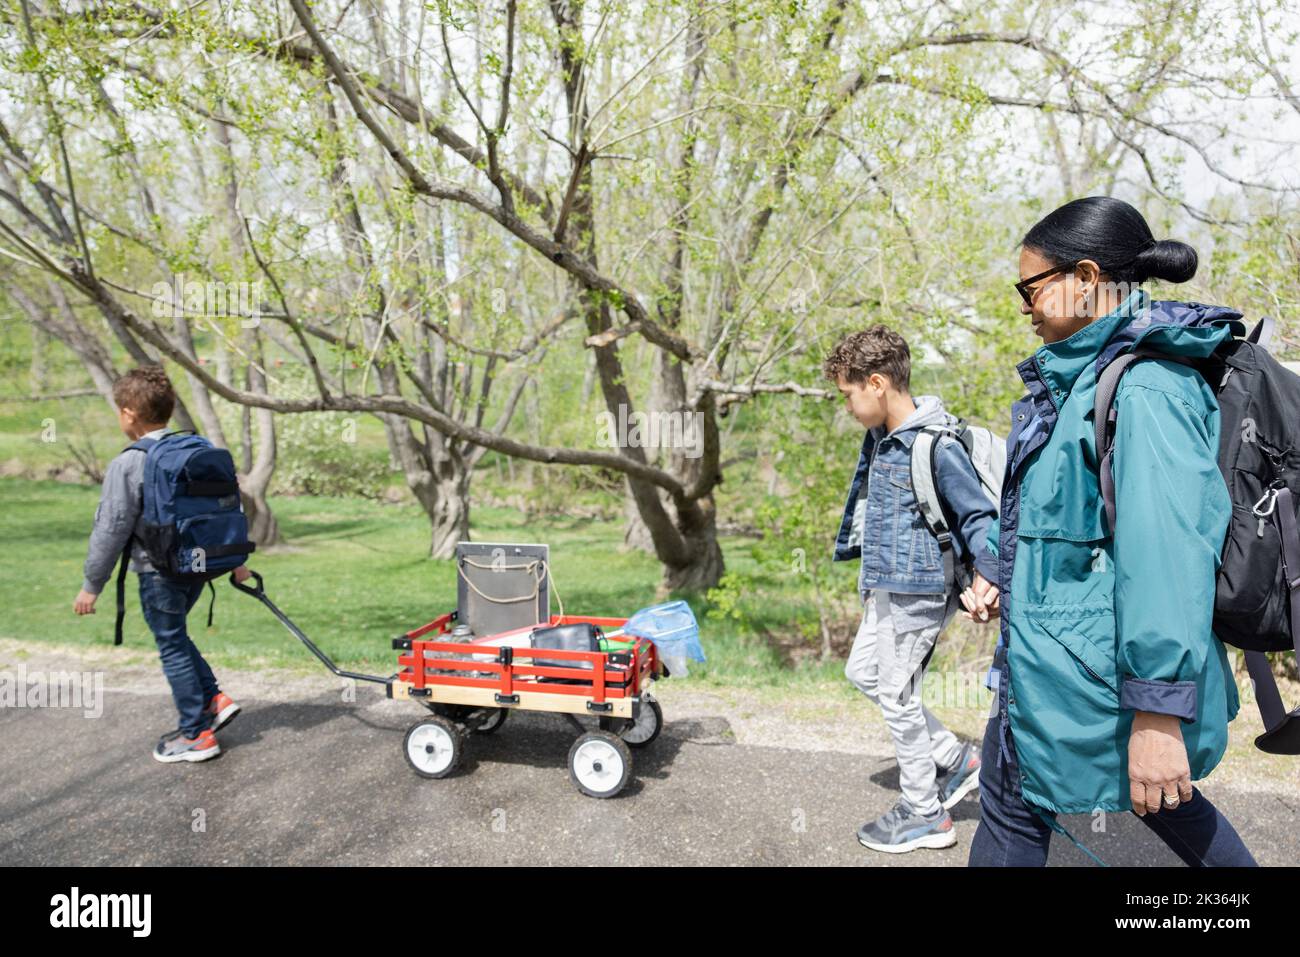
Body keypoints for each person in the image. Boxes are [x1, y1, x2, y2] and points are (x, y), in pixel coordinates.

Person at [958, 196, 1256, 866]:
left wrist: (1157, 712)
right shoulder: (1076, 385)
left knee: (1164, 800)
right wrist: (1001, 572)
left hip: (1099, 675)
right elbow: (1060, 528)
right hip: (1046, 667)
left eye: (1030, 287)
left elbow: (1166, 557)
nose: (1024, 306)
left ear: (1086, 278)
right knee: (1014, 810)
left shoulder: (1147, 389)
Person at [826, 326, 997, 853]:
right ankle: (955, 758)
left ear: (876, 384)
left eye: (849, 395)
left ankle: (925, 813)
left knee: (899, 699)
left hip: (919, 592)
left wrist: (986, 576)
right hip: (886, 586)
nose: (849, 407)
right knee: (863, 673)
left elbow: (978, 516)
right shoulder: (884, 438)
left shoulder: (934, 445)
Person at [73, 366, 248, 763]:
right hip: (200, 567)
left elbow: (111, 528)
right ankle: (214, 700)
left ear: (130, 414)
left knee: (170, 644)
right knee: (176, 636)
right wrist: (238, 561)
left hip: (159, 571)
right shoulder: (199, 448)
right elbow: (230, 505)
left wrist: (91, 584)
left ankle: (196, 735)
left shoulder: (129, 463)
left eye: (118, 410)